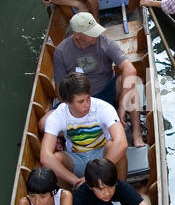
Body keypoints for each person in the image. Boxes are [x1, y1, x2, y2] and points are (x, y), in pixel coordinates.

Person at [52, 11, 142, 146]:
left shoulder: (105, 43)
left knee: (131, 84)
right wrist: (74, 110)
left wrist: (122, 106)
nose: (96, 34)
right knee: (44, 123)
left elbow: (130, 69)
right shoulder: (61, 52)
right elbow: (59, 90)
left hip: (106, 90)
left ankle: (137, 132)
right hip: (78, 98)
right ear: (77, 35)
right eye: (90, 32)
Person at [41, 73, 128, 187]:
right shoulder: (58, 115)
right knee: (55, 159)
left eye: (88, 98)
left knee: (116, 148)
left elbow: (122, 143)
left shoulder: (103, 108)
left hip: (102, 154)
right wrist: (74, 180)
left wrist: (98, 172)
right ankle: (70, 198)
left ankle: (120, 192)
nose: (87, 104)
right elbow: (45, 156)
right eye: (81, 101)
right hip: (77, 158)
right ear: (67, 102)